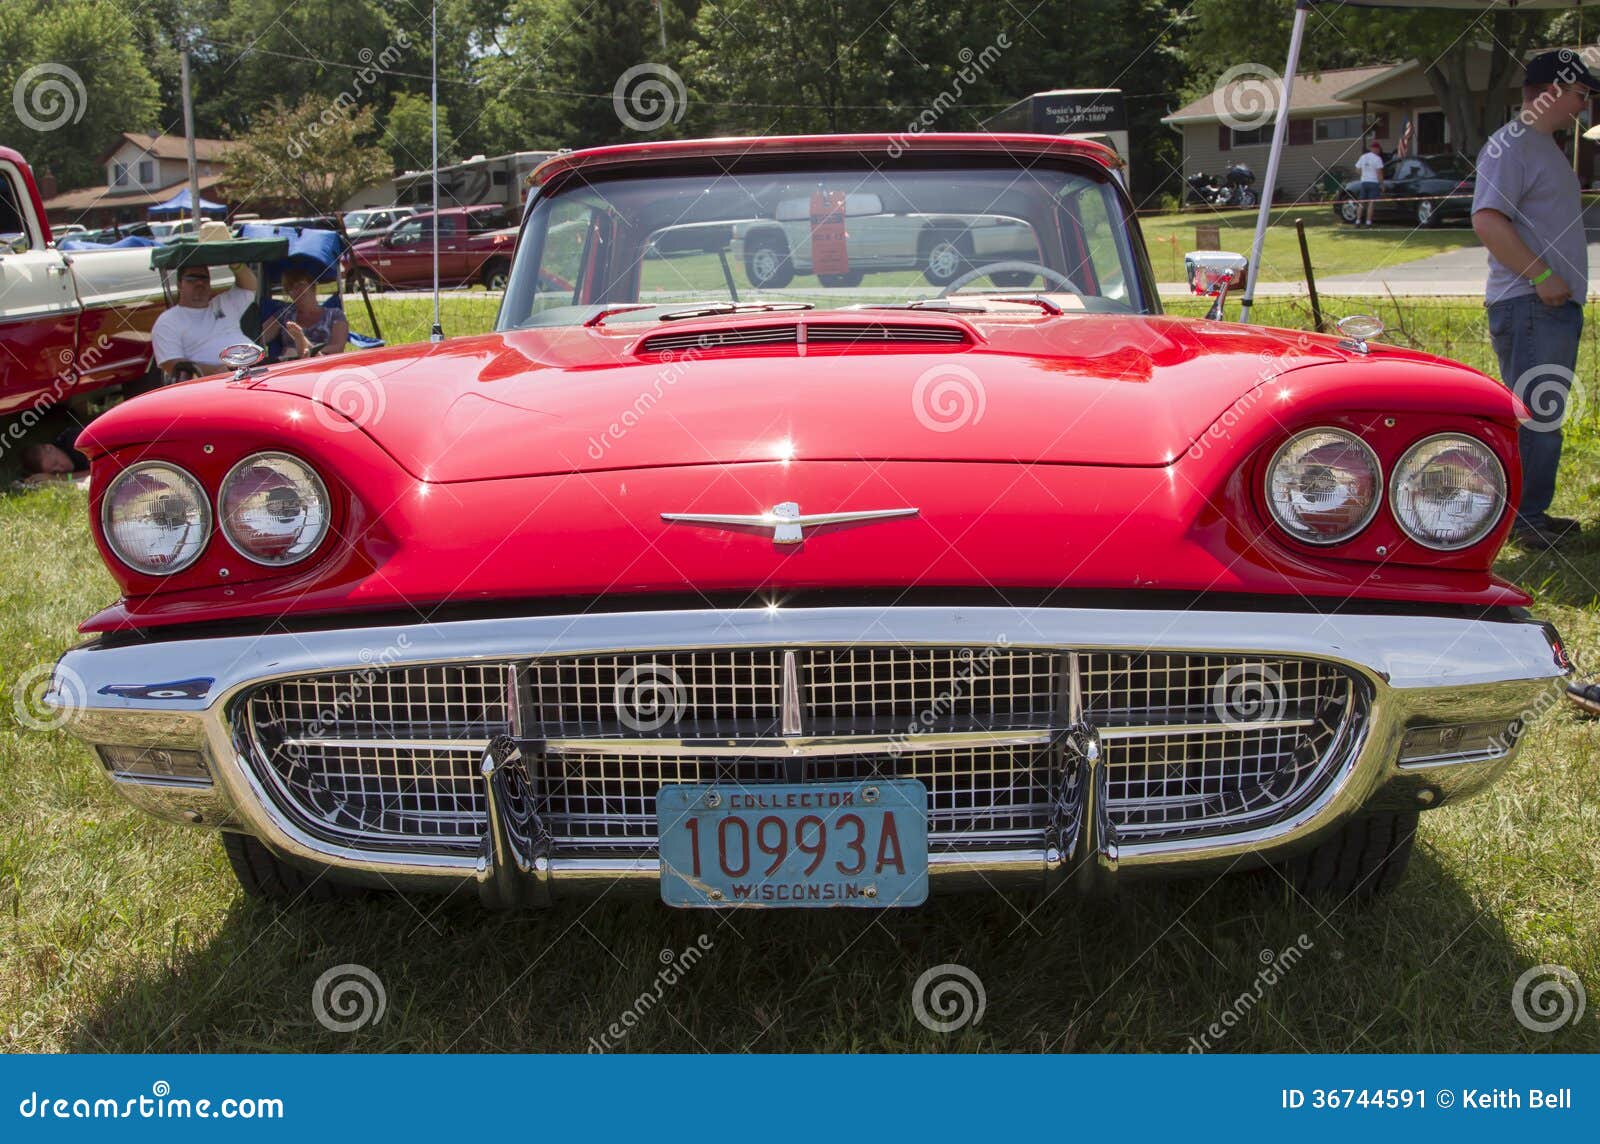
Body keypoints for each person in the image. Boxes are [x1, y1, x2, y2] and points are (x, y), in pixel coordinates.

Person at [1472, 48, 1597, 550]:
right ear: (1551, 91)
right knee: (1535, 415)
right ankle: (1522, 521)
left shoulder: (1542, 146)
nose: (1584, 107)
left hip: (1547, 307)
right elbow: (1487, 219)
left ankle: (1533, 512)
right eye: (1581, 94)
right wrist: (1542, 276)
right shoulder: (1512, 145)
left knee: (1545, 413)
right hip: (1529, 304)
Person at [150, 261, 260, 378]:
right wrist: (216, 371)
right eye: (191, 278)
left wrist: (236, 264)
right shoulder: (168, 321)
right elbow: (173, 365)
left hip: (257, 367)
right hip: (219, 381)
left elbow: (249, 287)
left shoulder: (223, 303)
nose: (199, 282)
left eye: (204, 278)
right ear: (179, 284)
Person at [261, 261, 348, 361]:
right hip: (289, 364)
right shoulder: (285, 314)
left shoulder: (335, 315)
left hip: (323, 363)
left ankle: (301, 341)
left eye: (300, 285)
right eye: (290, 288)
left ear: (313, 285)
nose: (295, 291)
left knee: (296, 351)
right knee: (290, 352)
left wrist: (307, 349)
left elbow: (338, 348)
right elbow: (261, 337)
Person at [18, 429, 90, 488]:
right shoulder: (66, 469)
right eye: (55, 472)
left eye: (56, 462)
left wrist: (54, 478)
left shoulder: (76, 442)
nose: (61, 469)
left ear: (50, 447)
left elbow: (94, 471)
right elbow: (71, 476)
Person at [1353, 139, 1384, 226]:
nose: (1378, 151)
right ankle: (1368, 221)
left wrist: (1364, 175)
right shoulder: (1378, 159)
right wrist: (1382, 184)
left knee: (1361, 202)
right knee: (1371, 202)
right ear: (1376, 149)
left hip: (1364, 182)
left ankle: (1358, 221)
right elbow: (1379, 173)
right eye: (1378, 149)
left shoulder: (1363, 157)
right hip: (1373, 182)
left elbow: (1357, 169)